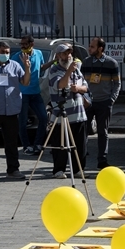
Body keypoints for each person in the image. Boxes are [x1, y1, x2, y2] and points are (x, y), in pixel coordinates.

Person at [46, 45, 89, 179]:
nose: (68, 56)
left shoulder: (76, 70)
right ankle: (59, 169)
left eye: (69, 54)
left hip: (79, 114)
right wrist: (69, 71)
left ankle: (78, 169)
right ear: (58, 56)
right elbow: (60, 85)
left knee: (80, 145)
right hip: (61, 116)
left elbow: (86, 87)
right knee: (61, 144)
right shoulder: (54, 70)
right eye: (64, 54)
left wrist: (79, 88)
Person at [80, 36, 121, 170]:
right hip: (88, 102)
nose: (89, 48)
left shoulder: (111, 63)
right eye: (90, 46)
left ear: (100, 48)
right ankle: (81, 159)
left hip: (104, 101)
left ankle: (102, 160)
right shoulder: (85, 62)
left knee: (103, 132)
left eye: (92, 46)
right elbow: (80, 81)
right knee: (83, 131)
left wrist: (112, 99)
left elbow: (117, 83)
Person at [0, 41, 31, 179]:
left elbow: (25, 82)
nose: (5, 54)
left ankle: (13, 169)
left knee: (12, 143)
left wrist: (27, 68)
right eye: (3, 52)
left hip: (11, 111)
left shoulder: (15, 66)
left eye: (7, 52)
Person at [11, 35, 46, 155]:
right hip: (23, 93)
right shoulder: (16, 57)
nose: (22, 46)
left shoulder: (39, 53)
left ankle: (37, 144)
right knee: (23, 121)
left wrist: (53, 62)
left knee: (43, 117)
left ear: (32, 44)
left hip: (36, 92)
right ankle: (26, 146)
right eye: (21, 44)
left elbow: (41, 68)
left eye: (24, 44)